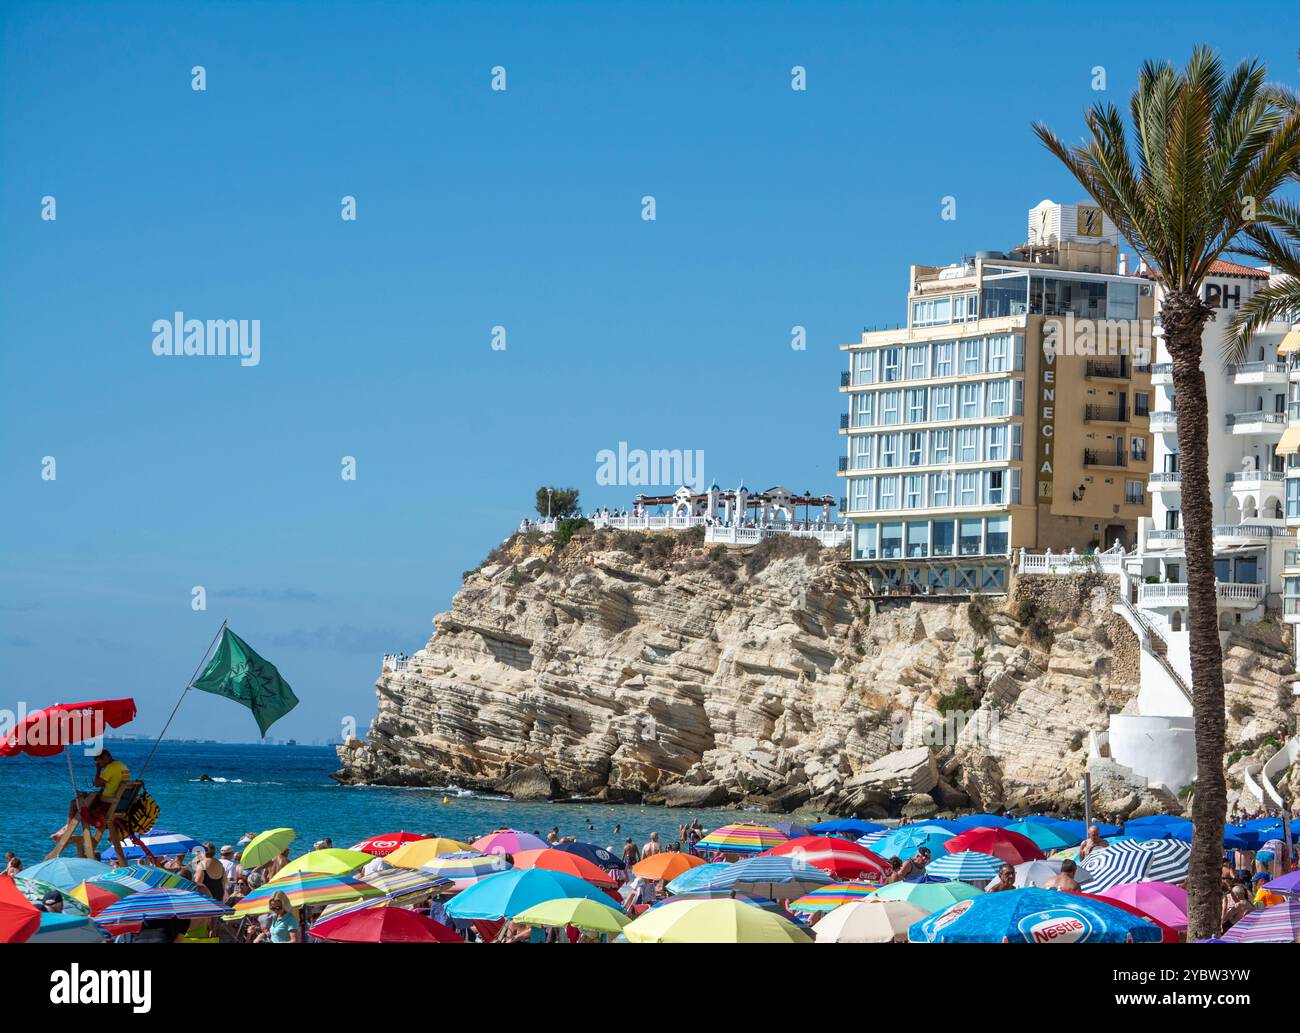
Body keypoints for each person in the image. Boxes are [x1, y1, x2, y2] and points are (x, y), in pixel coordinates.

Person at [53, 749, 129, 838]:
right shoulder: (122, 766)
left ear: (105, 758)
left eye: (99, 763)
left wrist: (98, 770)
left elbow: (97, 784)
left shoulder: (111, 767)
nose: (100, 765)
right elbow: (113, 784)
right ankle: (69, 829)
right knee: (85, 797)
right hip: (120, 803)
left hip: (107, 804)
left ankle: (67, 830)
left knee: (75, 803)